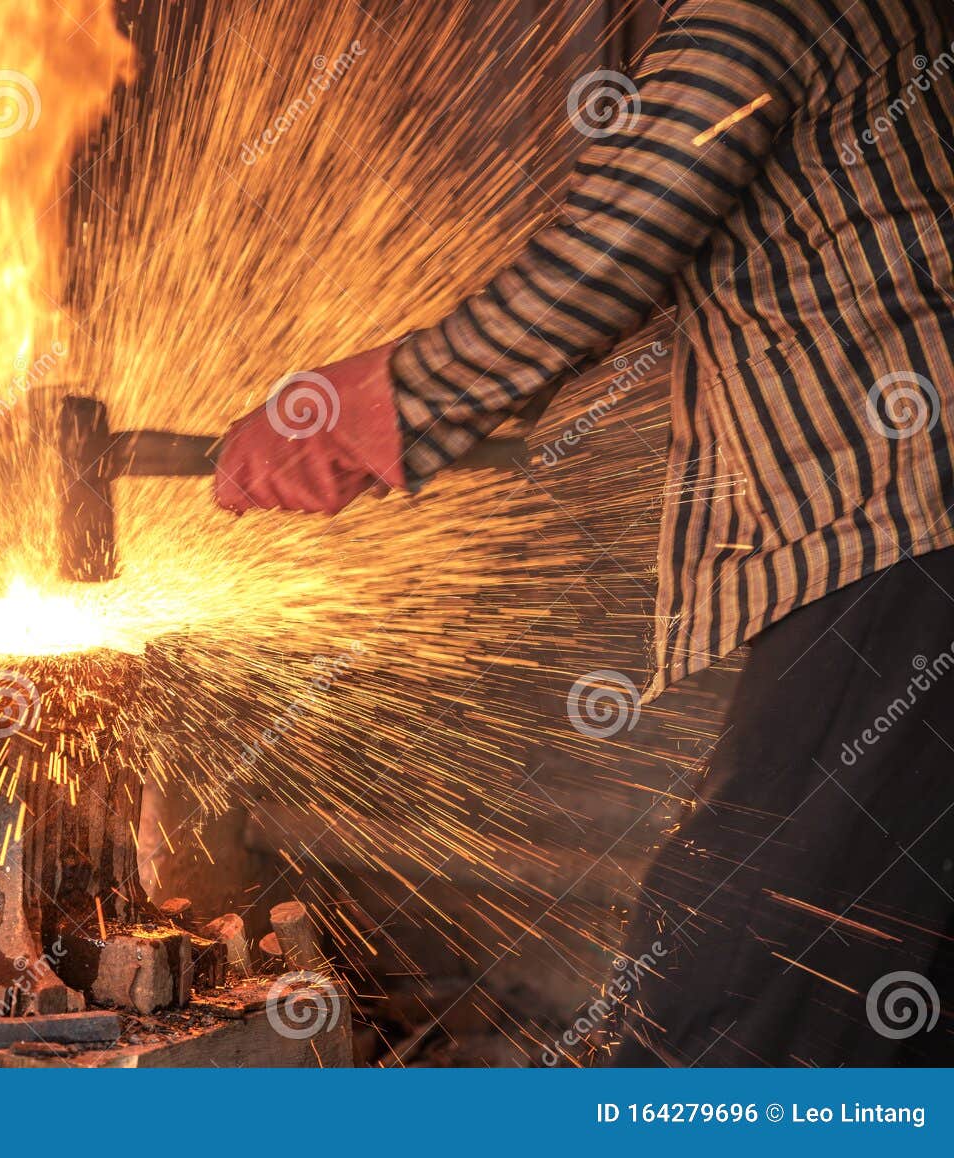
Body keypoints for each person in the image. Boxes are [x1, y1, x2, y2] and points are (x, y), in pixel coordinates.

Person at [215, 0, 954, 1065]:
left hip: (895, 536)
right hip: (906, 536)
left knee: (721, 1006)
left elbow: (611, 248)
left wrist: (382, 404)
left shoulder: (742, 14)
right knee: (884, 1007)